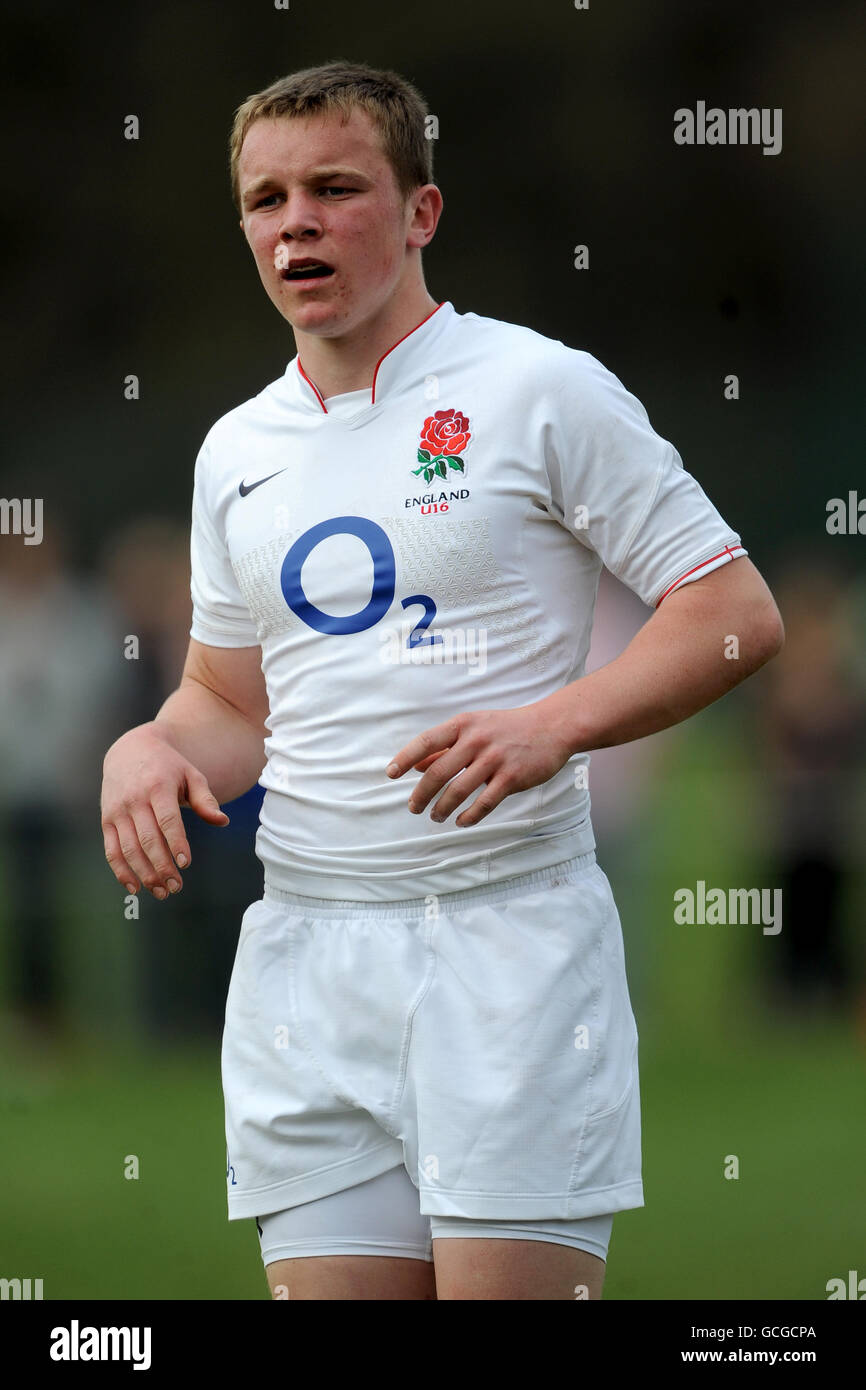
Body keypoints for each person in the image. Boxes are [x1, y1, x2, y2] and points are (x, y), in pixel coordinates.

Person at [100, 59, 785, 1301]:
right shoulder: (235, 451)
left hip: (504, 944)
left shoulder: (540, 388)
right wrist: (147, 748)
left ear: (420, 213)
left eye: (333, 187)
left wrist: (555, 725)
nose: (293, 221)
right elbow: (230, 705)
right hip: (306, 957)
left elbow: (732, 612)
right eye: (265, 199)